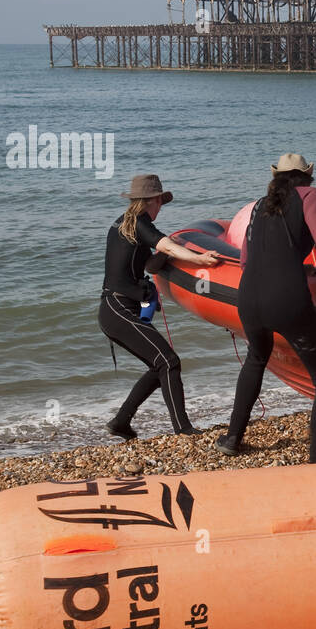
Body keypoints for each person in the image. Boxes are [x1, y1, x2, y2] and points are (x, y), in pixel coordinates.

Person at [216, 160, 316, 462]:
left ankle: (233, 438)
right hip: (285, 298)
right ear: (305, 177)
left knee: (256, 358)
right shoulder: (310, 195)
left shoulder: (260, 205)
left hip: (248, 297)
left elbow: (246, 258)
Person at [100, 174, 220, 438]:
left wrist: (164, 256)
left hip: (117, 309)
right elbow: (167, 245)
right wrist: (200, 259)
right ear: (152, 201)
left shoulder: (125, 225)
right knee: (169, 362)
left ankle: (120, 422)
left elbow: (149, 265)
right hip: (118, 309)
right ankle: (183, 428)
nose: (161, 208)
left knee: (159, 365)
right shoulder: (139, 223)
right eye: (160, 202)